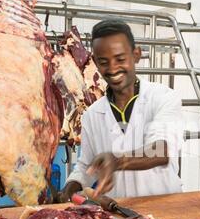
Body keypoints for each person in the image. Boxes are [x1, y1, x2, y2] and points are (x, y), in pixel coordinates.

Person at [59, 19, 183, 202]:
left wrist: (117, 161)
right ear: (94, 62)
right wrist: (69, 189)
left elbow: (161, 151)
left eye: (120, 59)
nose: (112, 68)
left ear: (136, 54)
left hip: (165, 207)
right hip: (117, 214)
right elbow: (87, 165)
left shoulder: (163, 98)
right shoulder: (92, 114)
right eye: (103, 62)